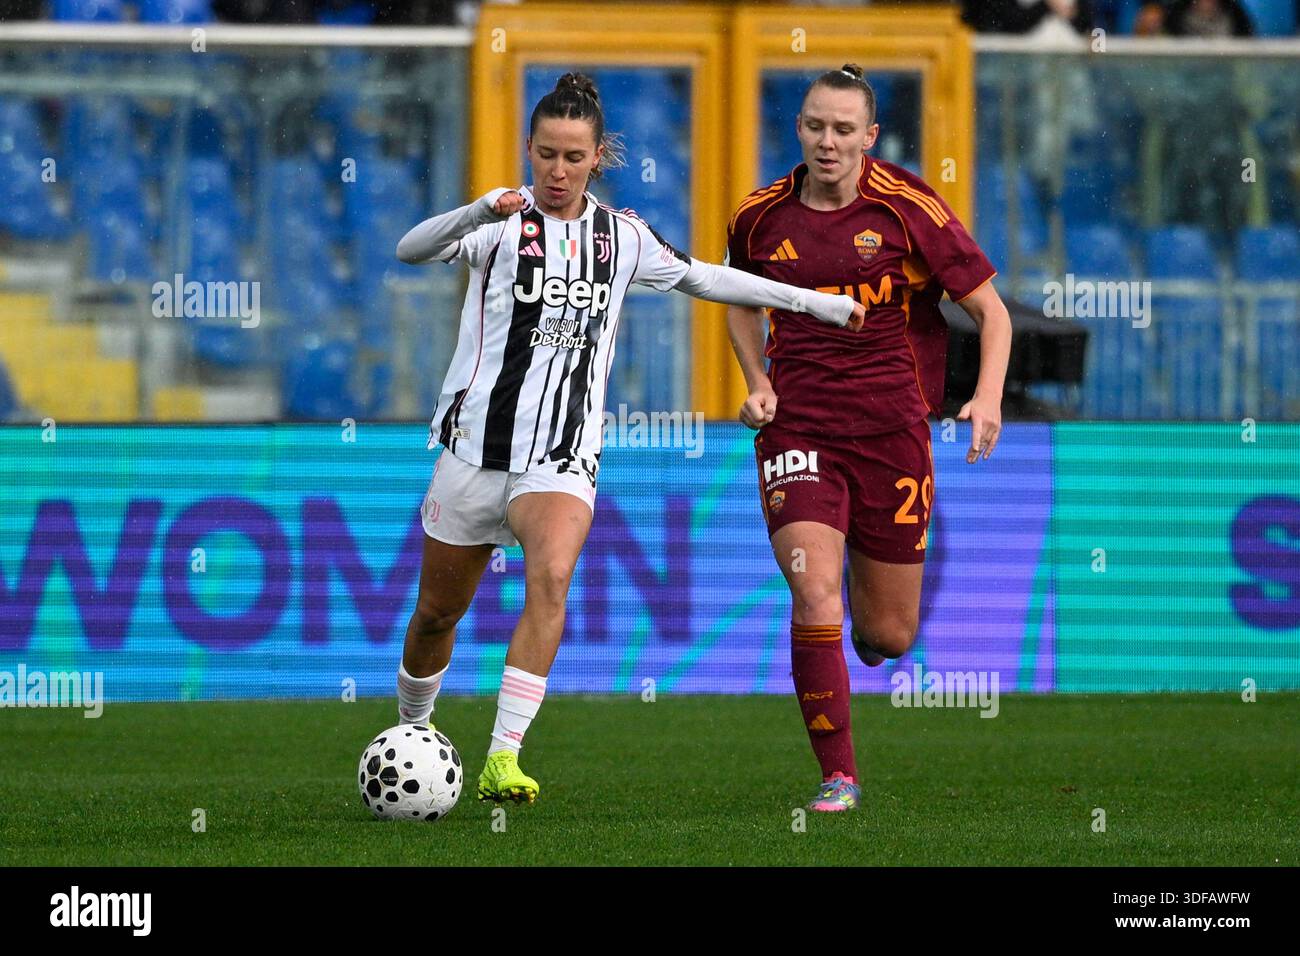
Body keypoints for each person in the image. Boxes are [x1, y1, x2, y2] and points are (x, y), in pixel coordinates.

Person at [392, 72, 866, 804]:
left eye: (573, 157)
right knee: (436, 614)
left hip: (561, 458)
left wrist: (812, 303)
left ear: (597, 158)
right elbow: (408, 249)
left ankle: (501, 757)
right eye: (546, 154)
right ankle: (412, 731)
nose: (557, 171)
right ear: (529, 149)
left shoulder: (622, 238)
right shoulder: (498, 224)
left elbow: (711, 279)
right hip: (472, 453)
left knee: (551, 576)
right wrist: (475, 208)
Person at [724, 65, 1012, 812]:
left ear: (869, 137)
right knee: (814, 590)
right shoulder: (759, 217)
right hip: (800, 429)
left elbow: (993, 311)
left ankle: (864, 598)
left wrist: (985, 397)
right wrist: (758, 382)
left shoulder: (910, 208)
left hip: (891, 433)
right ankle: (838, 774)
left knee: (886, 636)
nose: (828, 141)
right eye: (816, 125)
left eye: (844, 129)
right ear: (800, 127)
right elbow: (736, 300)